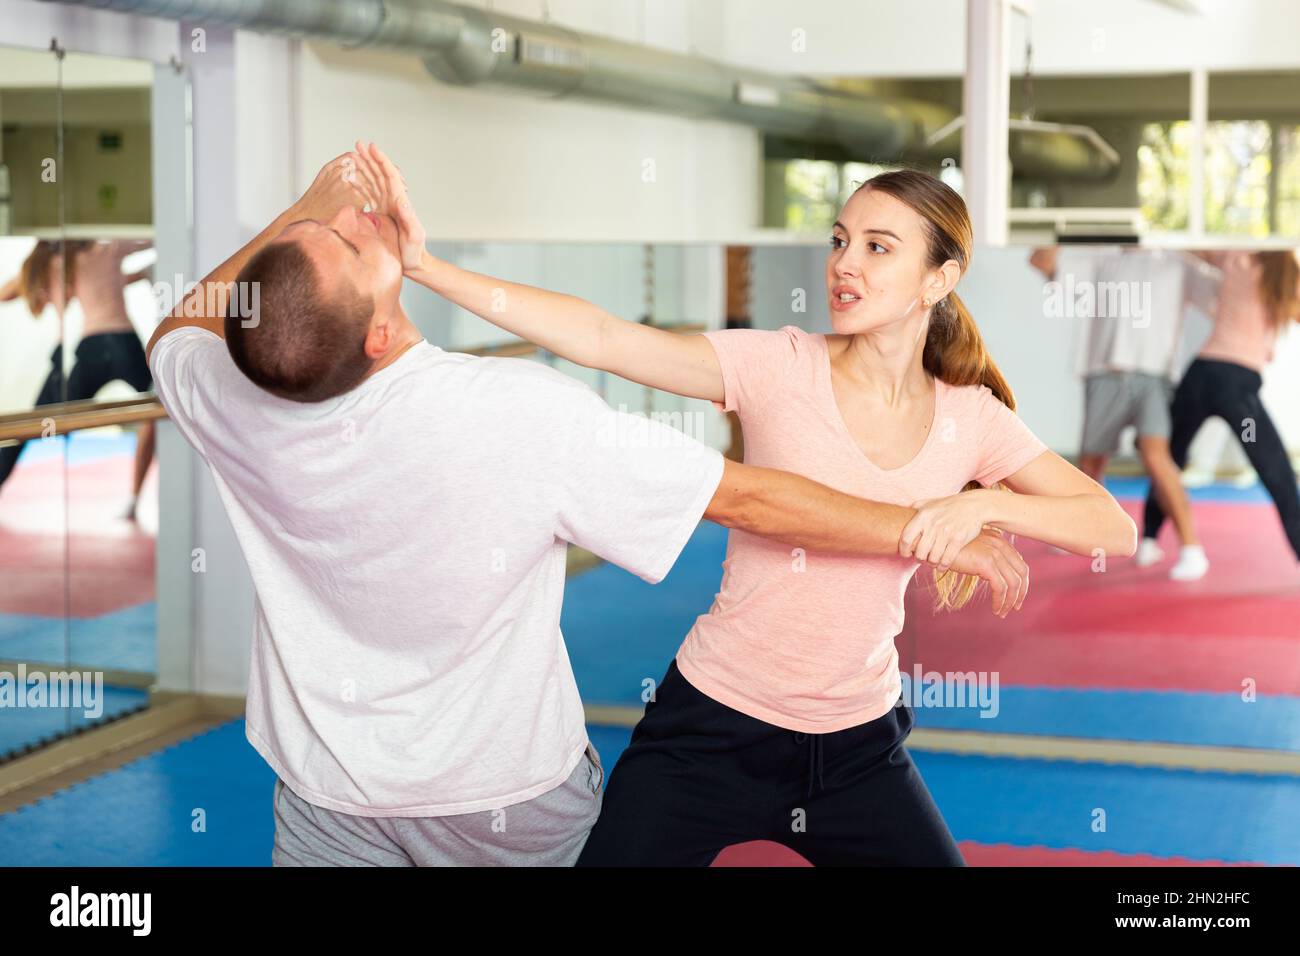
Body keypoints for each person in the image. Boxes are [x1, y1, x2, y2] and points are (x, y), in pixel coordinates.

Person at [144, 146, 1036, 867]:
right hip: (507, 801)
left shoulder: (233, 396)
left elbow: (181, 329)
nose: (343, 219)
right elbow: (750, 501)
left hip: (323, 799)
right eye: (341, 242)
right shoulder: (515, 410)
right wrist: (930, 528)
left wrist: (303, 217)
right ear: (380, 332)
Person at [409, 161, 1138, 866]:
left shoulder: (971, 419)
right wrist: (427, 268)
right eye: (840, 240)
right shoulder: (779, 366)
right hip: (711, 730)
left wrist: (968, 514)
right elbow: (603, 338)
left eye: (879, 247)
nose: (845, 263)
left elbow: (1110, 525)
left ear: (939, 279)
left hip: (857, 748)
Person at [1029, 245, 1217, 579]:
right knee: (1091, 464)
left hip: (1153, 379)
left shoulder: (1178, 263)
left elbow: (1220, 295)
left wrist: (1207, 250)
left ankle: (1192, 549)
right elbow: (1040, 259)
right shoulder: (1102, 258)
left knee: (1157, 458)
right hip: (1105, 373)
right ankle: (1077, 530)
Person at [1142, 249, 1300, 564]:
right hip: (1237, 389)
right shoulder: (1288, 279)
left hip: (1200, 377)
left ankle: (1148, 539)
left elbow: (1195, 247)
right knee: (1273, 467)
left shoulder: (1237, 259)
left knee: (1170, 457)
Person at [0, 238, 156, 519]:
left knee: (40, 422)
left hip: (93, 348)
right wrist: (145, 272)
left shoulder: (63, 263)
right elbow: (148, 243)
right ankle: (134, 499)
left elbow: (7, 293)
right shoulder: (109, 250)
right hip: (125, 344)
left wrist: (35, 280)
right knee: (160, 412)